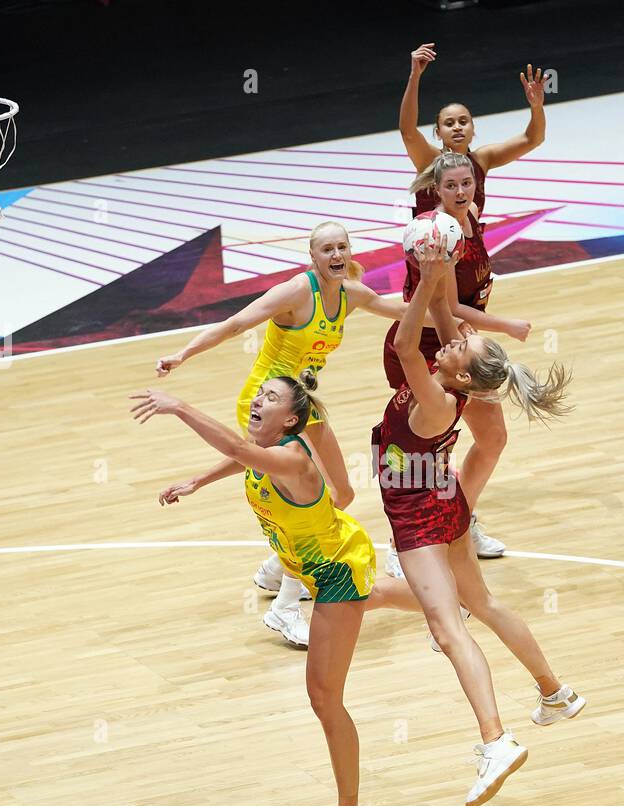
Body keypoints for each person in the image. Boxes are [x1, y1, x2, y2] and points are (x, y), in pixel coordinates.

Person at [130, 371, 423, 806]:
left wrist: (180, 407)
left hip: (333, 574)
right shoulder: (266, 449)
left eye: (270, 397)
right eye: (259, 393)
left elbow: (249, 456)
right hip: (320, 562)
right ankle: (449, 604)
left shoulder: (290, 457)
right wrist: (197, 481)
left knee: (325, 698)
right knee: (375, 597)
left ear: (290, 419)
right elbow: (244, 458)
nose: (257, 400)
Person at [155, 222, 445, 646]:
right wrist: (183, 354)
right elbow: (237, 324)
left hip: (303, 405)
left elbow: (404, 311)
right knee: (308, 509)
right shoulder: (296, 291)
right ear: (313, 256)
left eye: (342, 247)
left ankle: (276, 568)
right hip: (269, 405)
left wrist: (461, 315)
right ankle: (285, 607)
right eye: (327, 248)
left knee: (341, 495)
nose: (336, 254)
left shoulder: (351, 295)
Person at [375, 230, 583, 806]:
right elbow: (436, 329)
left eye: (457, 350)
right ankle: (554, 691)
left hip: (419, 517)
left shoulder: (436, 395)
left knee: (448, 628)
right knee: (482, 604)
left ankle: (495, 739)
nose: (449, 346)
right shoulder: (459, 385)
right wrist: (435, 271)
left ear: (461, 375)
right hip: (447, 501)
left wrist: (424, 285)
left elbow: (410, 342)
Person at [383, 151, 533, 569]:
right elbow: (446, 307)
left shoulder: (472, 216)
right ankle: (405, 544)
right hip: (430, 347)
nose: (461, 191)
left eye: (467, 183)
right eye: (451, 186)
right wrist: (504, 326)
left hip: (458, 344)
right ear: (436, 189)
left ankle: (460, 518)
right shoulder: (440, 235)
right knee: (423, 452)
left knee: (492, 439)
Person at [399, 43, 548, 219]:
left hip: (472, 245)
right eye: (449, 123)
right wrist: (414, 76)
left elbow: (533, 139)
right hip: (432, 245)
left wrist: (537, 107)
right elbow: (408, 132)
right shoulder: (429, 160)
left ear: (473, 129)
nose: (457, 127)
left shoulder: (482, 159)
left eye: (463, 121)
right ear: (438, 133)